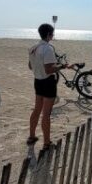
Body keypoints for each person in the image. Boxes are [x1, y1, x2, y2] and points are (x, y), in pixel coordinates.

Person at [28, 23, 69, 152]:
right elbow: (49, 69)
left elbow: (30, 66)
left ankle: (32, 136)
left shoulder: (33, 48)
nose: (53, 35)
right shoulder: (48, 48)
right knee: (46, 114)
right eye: (52, 33)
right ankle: (46, 143)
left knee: (37, 110)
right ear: (48, 34)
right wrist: (62, 66)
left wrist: (40, 68)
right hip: (48, 82)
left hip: (37, 81)